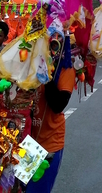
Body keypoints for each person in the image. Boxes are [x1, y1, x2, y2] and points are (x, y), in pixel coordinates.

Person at [28, 30, 76, 193]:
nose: (52, 44)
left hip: (50, 142)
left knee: (38, 190)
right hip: (28, 142)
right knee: (24, 188)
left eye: (57, 41)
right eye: (49, 40)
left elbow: (58, 105)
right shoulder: (32, 64)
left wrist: (46, 74)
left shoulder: (66, 69)